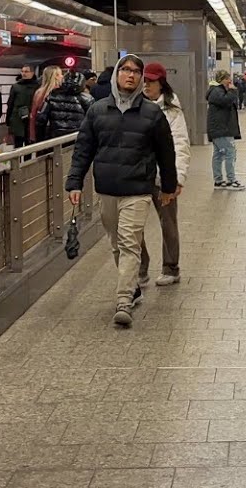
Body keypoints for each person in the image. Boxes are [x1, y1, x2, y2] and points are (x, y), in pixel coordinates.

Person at [66, 55, 178, 327]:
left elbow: (167, 153)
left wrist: (169, 187)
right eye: (125, 70)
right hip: (107, 190)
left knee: (129, 242)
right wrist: (74, 181)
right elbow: (83, 150)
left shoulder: (152, 113)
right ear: (117, 74)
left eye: (136, 71)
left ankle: (124, 299)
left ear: (141, 78)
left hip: (138, 190)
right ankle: (133, 287)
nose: (130, 75)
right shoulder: (97, 111)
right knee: (116, 244)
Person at [137, 62, 190, 287]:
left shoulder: (172, 110)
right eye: (145, 81)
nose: (146, 85)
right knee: (133, 225)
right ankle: (140, 267)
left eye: (151, 81)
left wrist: (177, 178)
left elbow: (180, 143)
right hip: (137, 176)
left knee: (168, 223)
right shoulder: (133, 106)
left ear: (161, 83)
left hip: (162, 177)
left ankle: (171, 267)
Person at [207, 69, 244, 190]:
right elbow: (226, 101)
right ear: (222, 80)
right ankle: (231, 181)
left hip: (219, 129)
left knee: (218, 155)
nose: (230, 81)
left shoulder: (217, 91)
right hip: (222, 129)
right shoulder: (217, 91)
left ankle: (218, 181)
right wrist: (233, 90)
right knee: (230, 153)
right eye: (227, 79)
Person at [40, 70, 93, 139]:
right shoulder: (87, 99)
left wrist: (42, 138)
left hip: (56, 136)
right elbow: (93, 121)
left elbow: (41, 119)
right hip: (78, 136)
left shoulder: (52, 96)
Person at [28, 66, 64, 143]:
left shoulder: (39, 93)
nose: (62, 76)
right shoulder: (61, 93)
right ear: (56, 76)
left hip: (43, 132)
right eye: (60, 74)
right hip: (58, 132)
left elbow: (33, 115)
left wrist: (33, 135)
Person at [6, 64, 38, 149]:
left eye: (26, 71)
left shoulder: (37, 86)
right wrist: (8, 120)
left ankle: (27, 162)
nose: (24, 74)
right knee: (18, 144)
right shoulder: (16, 86)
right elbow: (10, 103)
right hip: (17, 118)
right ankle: (18, 161)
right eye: (22, 71)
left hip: (31, 118)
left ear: (32, 73)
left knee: (29, 144)